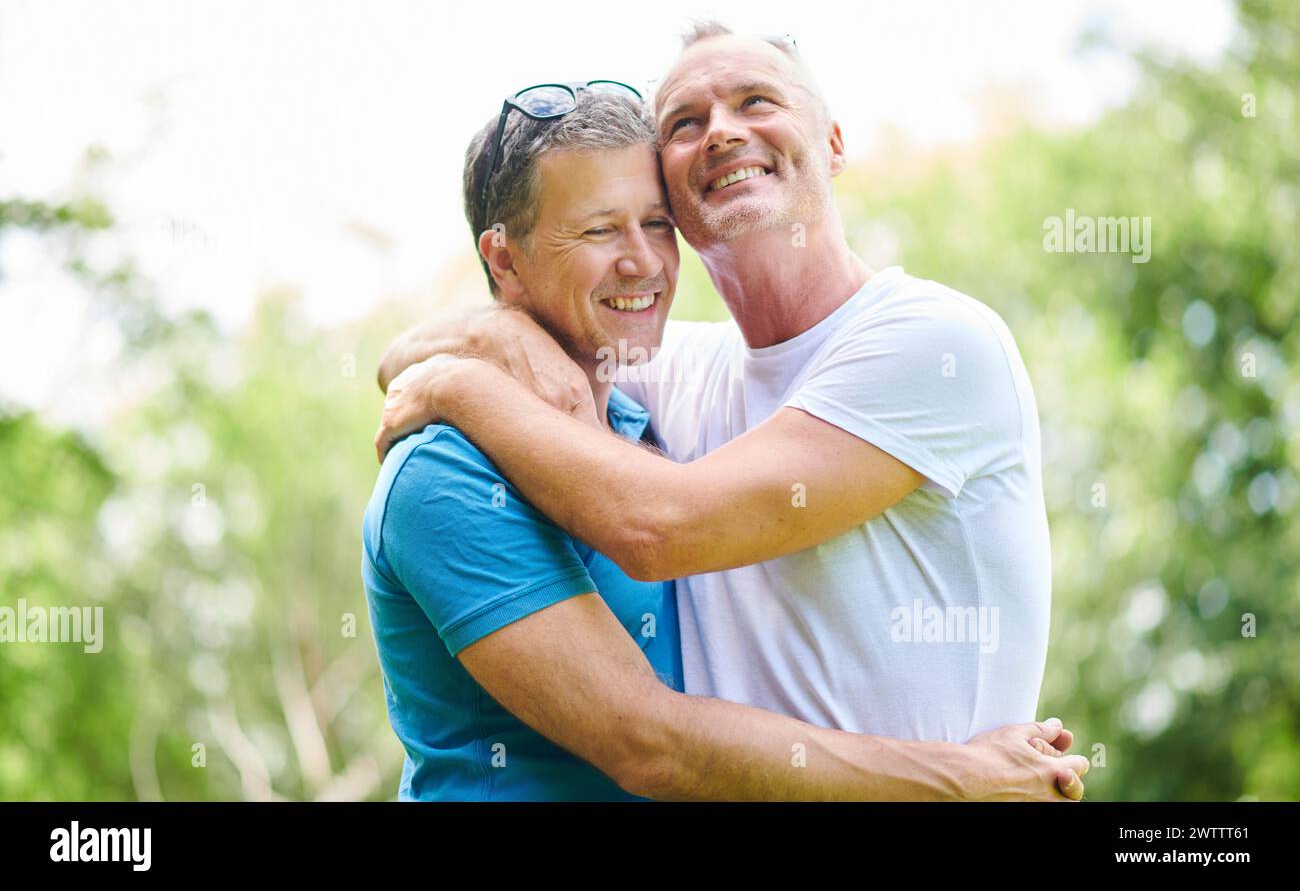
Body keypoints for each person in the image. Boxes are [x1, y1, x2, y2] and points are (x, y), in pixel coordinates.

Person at [365, 77, 1084, 800]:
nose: (644, 262)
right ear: (505, 259)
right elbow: (649, 744)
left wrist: (460, 364)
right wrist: (962, 780)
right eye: (598, 229)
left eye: (655, 224)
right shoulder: (441, 475)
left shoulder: (646, 412)